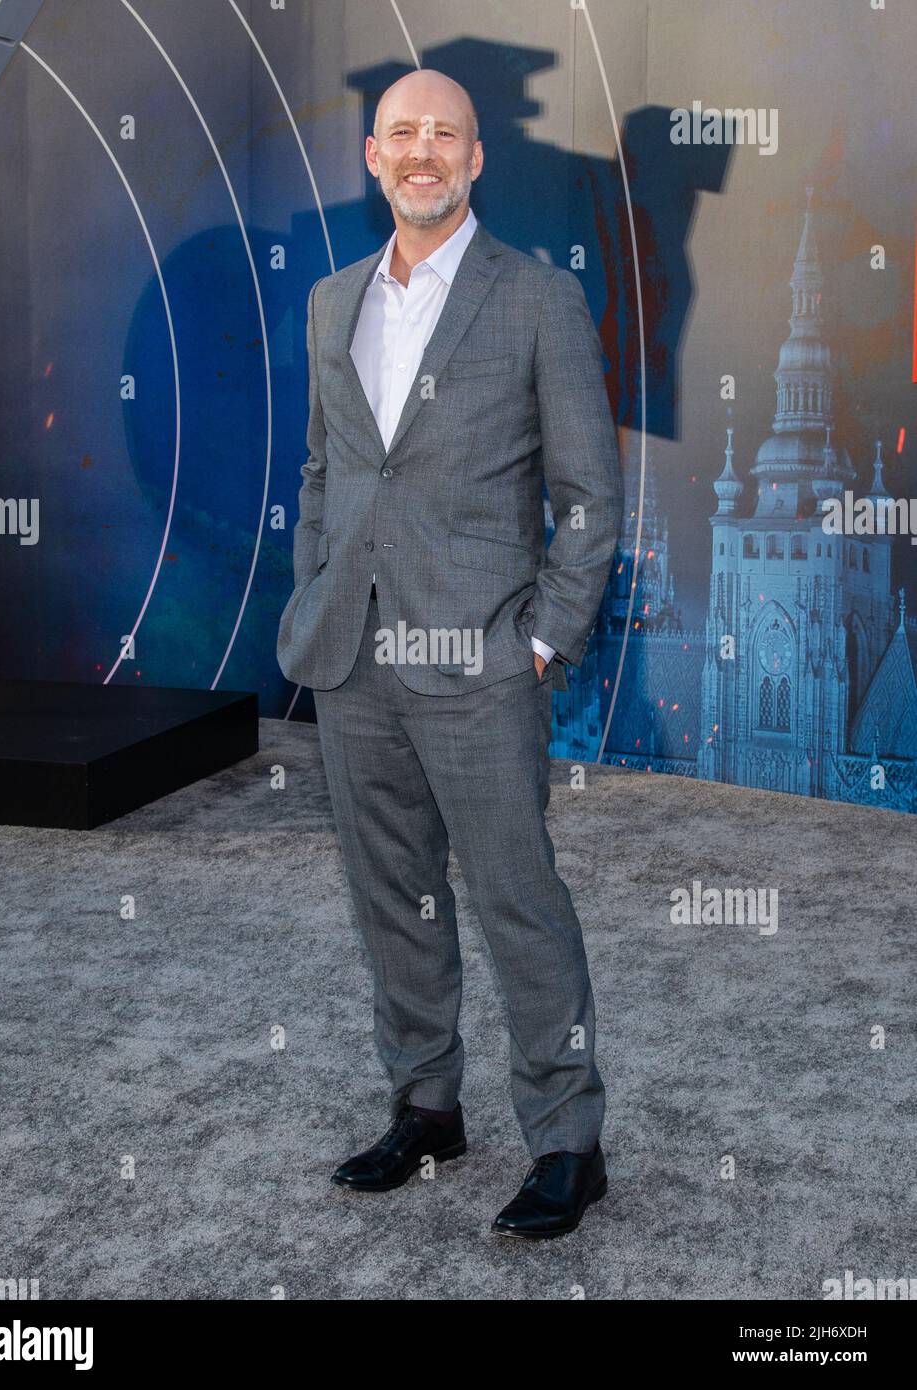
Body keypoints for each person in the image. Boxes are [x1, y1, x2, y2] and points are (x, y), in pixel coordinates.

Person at [277, 68, 623, 1239]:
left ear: (477, 160)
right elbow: (329, 473)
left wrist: (538, 643)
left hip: (480, 660)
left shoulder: (535, 301)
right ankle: (427, 1104)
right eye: (402, 134)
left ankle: (569, 1139)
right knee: (391, 896)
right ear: (374, 157)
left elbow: (588, 500)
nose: (423, 153)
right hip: (353, 659)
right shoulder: (333, 302)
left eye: (447, 136)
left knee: (519, 898)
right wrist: (318, 591)